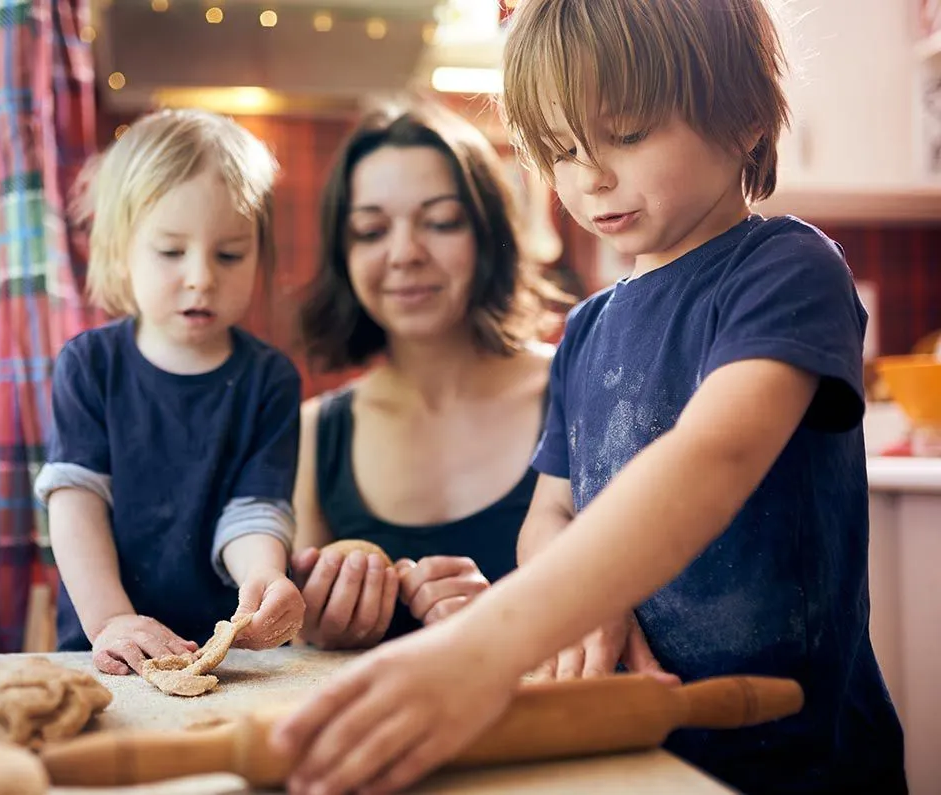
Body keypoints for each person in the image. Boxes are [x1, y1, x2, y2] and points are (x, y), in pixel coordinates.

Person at [269, 1, 907, 793]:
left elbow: (712, 457)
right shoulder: (589, 328)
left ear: (745, 117)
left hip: (796, 758)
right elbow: (552, 517)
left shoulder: (785, 270)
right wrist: (595, 602)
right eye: (563, 151)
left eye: (628, 134)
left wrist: (485, 647)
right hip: (635, 751)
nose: (592, 176)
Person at [34, 109, 306, 675]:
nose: (201, 276)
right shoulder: (89, 366)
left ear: (260, 254)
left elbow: (252, 511)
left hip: (223, 662)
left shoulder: (270, 380)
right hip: (107, 651)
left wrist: (264, 578)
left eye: (229, 254)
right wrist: (111, 620)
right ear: (119, 252)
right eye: (170, 251)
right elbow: (76, 503)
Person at [291, 101, 565, 649]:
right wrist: (314, 630)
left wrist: (514, 621)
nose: (404, 254)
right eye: (370, 231)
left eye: (440, 222)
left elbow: (637, 602)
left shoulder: (575, 390)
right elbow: (294, 652)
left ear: (488, 234)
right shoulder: (314, 432)